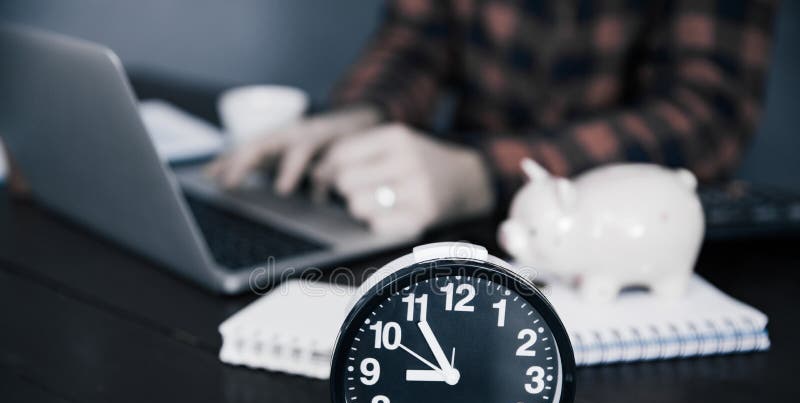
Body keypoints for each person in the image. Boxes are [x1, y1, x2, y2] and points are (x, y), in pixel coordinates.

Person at [209, 0, 776, 236]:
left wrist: (481, 174)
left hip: (633, 237)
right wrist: (361, 113)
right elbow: (417, 38)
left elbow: (707, 115)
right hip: (463, 213)